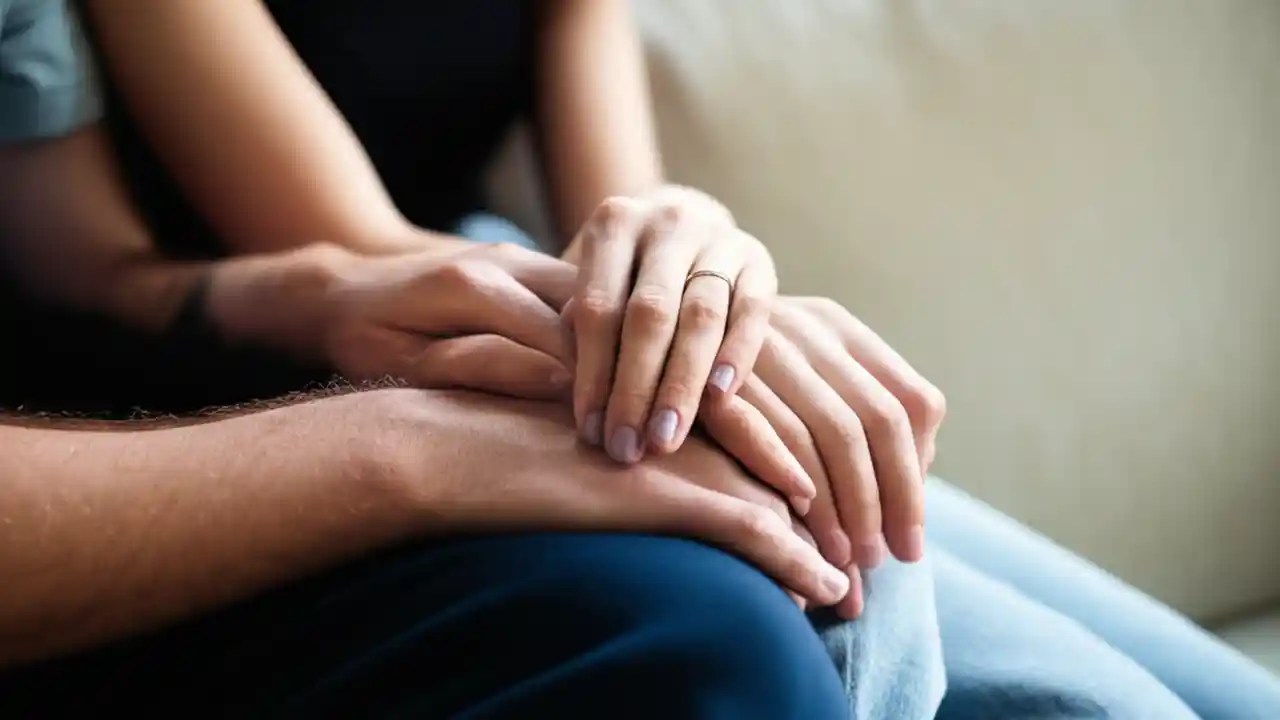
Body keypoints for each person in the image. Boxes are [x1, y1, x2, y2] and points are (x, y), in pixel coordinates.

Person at [3, 1, 1278, 717]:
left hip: (521, 289)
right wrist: (621, 339)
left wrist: (685, 256)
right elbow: (359, 252)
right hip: (406, 325)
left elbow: (613, 187)